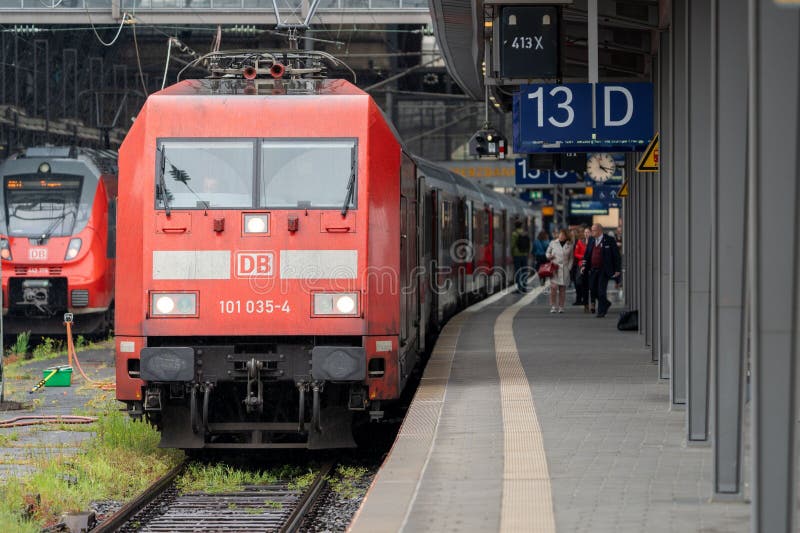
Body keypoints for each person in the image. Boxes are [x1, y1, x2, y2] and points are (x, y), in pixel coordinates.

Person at [581, 223, 621, 318]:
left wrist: (617, 269)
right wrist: (584, 266)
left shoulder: (609, 240)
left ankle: (601, 311)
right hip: (593, 269)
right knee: (593, 290)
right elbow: (586, 255)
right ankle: (606, 303)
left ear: (599, 230)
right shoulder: (591, 240)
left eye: (593, 230)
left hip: (604, 270)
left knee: (601, 291)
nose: (591, 232)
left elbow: (616, 256)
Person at [546, 229, 573, 313]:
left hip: (565, 269)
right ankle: (553, 306)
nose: (561, 236)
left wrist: (569, 268)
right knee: (553, 288)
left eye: (563, 235)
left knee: (562, 289)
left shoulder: (570, 245)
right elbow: (547, 253)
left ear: (566, 236)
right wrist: (549, 256)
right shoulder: (553, 243)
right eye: (560, 234)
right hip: (554, 268)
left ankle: (561, 306)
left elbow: (571, 258)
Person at [572, 226, 592, 312]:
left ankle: (592, 303)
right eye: (585, 232)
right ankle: (585, 303)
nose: (586, 234)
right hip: (582, 265)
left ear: (591, 233)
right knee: (582, 284)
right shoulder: (580, 242)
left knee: (592, 285)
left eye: (588, 232)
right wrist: (583, 257)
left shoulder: (594, 241)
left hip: (592, 265)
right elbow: (576, 254)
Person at [510, 220, 532, 293]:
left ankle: (519, 287)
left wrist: (512, 254)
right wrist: (527, 252)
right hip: (524, 254)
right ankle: (524, 287)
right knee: (524, 270)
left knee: (518, 271)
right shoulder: (525, 233)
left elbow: (512, 245)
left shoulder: (514, 234)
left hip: (517, 254)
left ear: (515, 226)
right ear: (521, 226)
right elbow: (529, 244)